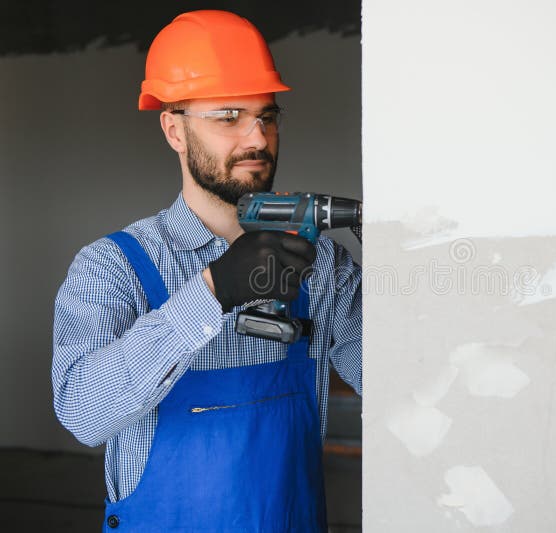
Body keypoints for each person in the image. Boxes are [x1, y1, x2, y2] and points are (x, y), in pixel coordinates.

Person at [51, 10, 361, 532]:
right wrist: (213, 291)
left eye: (267, 115)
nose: (257, 138)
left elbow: (403, 385)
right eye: (229, 116)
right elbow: (84, 413)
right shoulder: (111, 267)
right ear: (174, 129)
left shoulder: (321, 263)